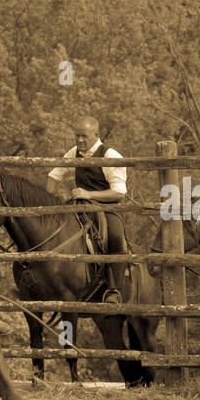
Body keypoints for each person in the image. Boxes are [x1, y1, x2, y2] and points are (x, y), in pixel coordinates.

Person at [45, 116, 129, 304]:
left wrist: (89, 194)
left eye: (84, 136)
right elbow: (54, 175)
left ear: (96, 135)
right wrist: (50, 197)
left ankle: (114, 289)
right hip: (80, 207)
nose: (79, 140)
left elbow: (119, 193)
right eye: (77, 136)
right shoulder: (74, 152)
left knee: (116, 237)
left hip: (107, 209)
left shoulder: (111, 156)